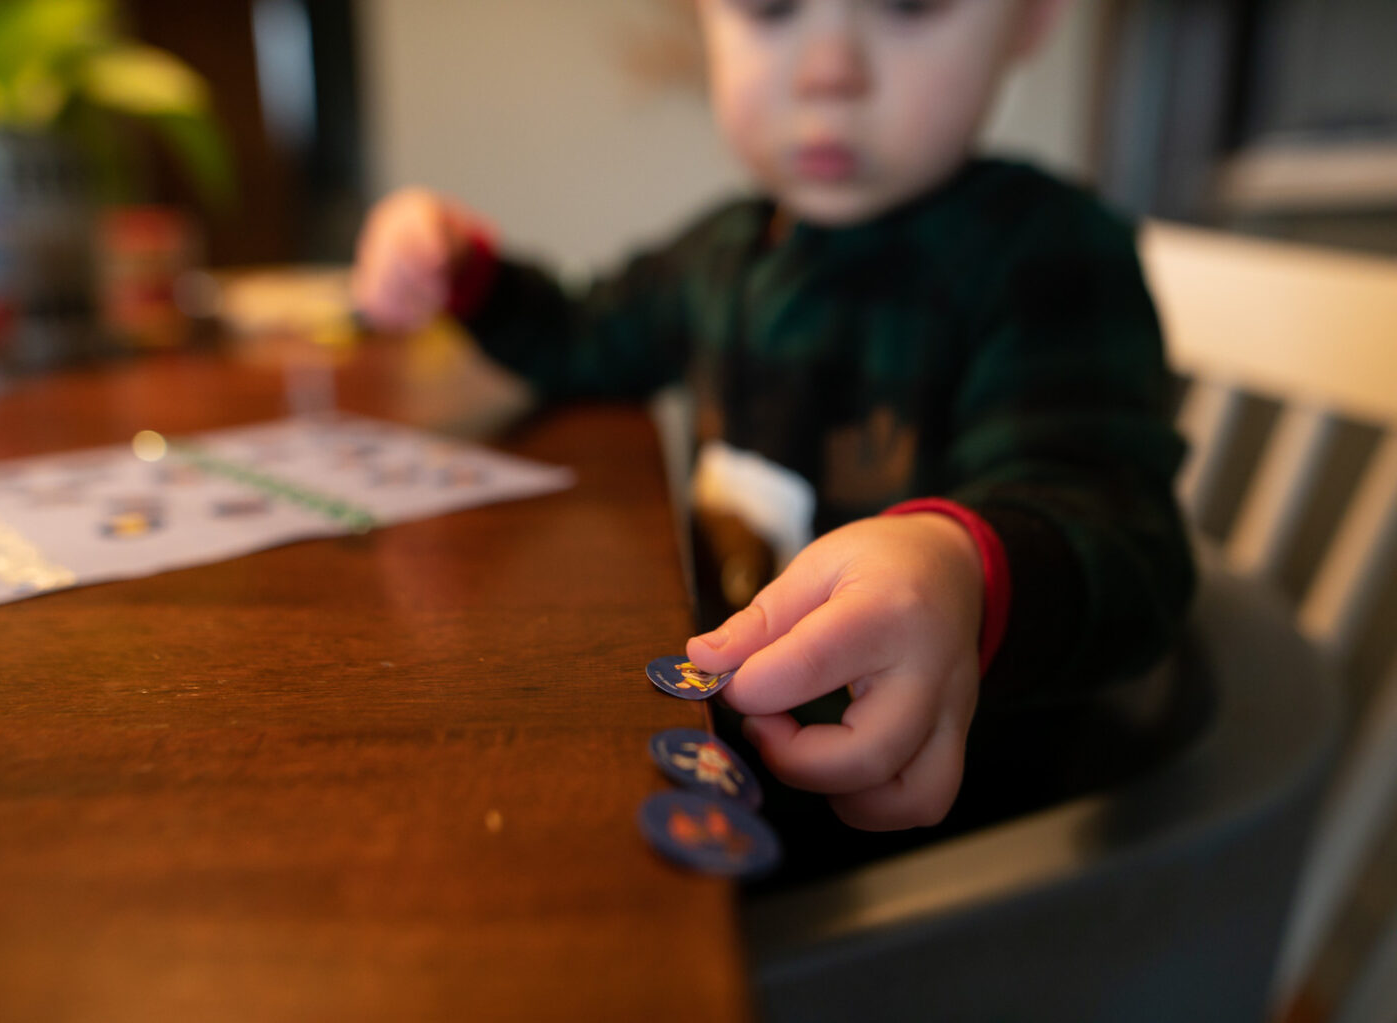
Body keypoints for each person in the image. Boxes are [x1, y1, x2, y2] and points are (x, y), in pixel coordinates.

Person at [352, 0, 1195, 850]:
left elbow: (1124, 540)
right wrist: (465, 272)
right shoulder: (723, 252)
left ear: (1032, 17)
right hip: (725, 752)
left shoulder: (1052, 258)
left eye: (909, 5)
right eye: (770, 7)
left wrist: (963, 569)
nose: (828, 71)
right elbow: (584, 338)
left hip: (935, 825)